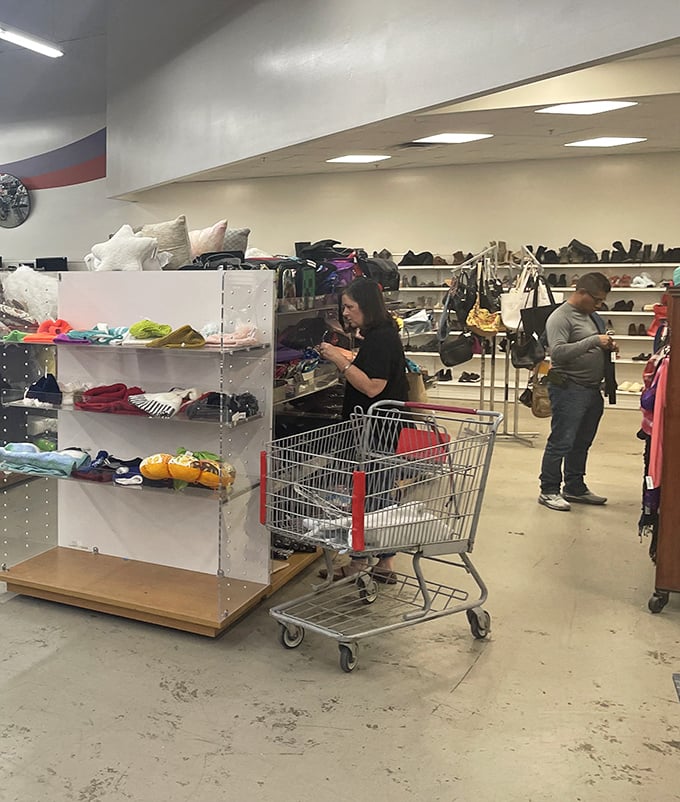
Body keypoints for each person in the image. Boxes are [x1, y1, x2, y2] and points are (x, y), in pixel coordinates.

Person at [317, 277, 408, 580]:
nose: (345, 313)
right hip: (379, 427)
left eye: (350, 307)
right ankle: (383, 562)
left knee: (370, 494)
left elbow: (372, 387)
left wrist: (337, 360)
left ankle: (360, 563)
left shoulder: (382, 338)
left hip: (376, 428)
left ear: (366, 307)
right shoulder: (381, 334)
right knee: (378, 491)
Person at [538, 272, 617, 511]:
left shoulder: (592, 315)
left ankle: (574, 486)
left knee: (582, 442)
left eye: (602, 301)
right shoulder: (559, 318)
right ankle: (549, 490)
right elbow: (558, 353)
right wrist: (594, 342)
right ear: (581, 292)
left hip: (591, 389)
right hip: (569, 388)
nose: (599, 305)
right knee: (561, 441)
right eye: (596, 300)